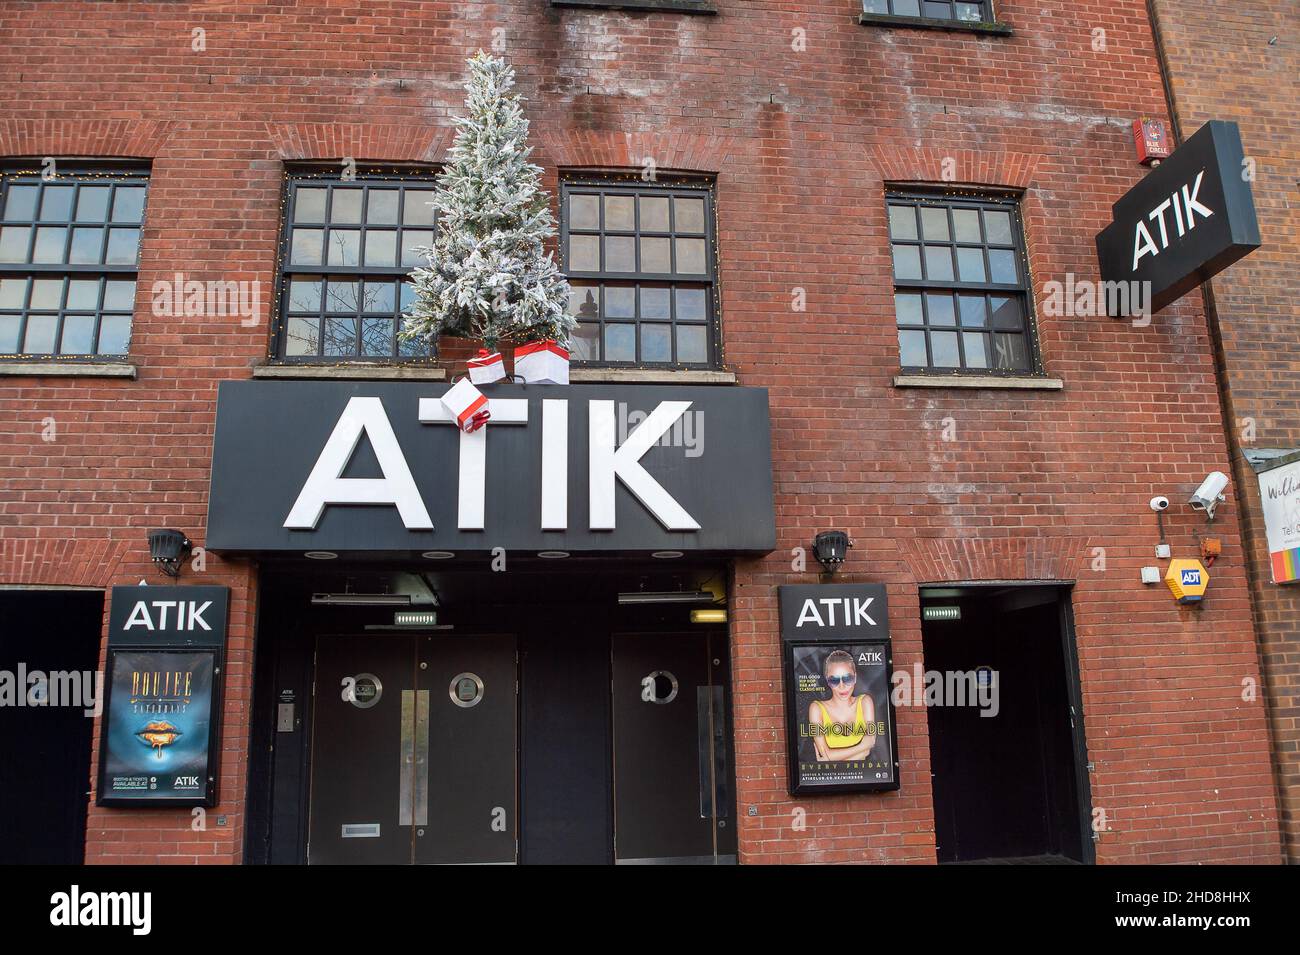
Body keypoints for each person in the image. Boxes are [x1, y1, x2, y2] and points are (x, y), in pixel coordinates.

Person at [808, 649, 877, 762]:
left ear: (855, 678)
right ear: (827, 681)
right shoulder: (816, 708)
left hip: (862, 777)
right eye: (834, 680)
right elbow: (867, 746)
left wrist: (830, 758)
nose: (842, 686)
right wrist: (862, 748)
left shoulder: (865, 702)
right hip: (830, 778)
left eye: (847, 679)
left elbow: (870, 744)